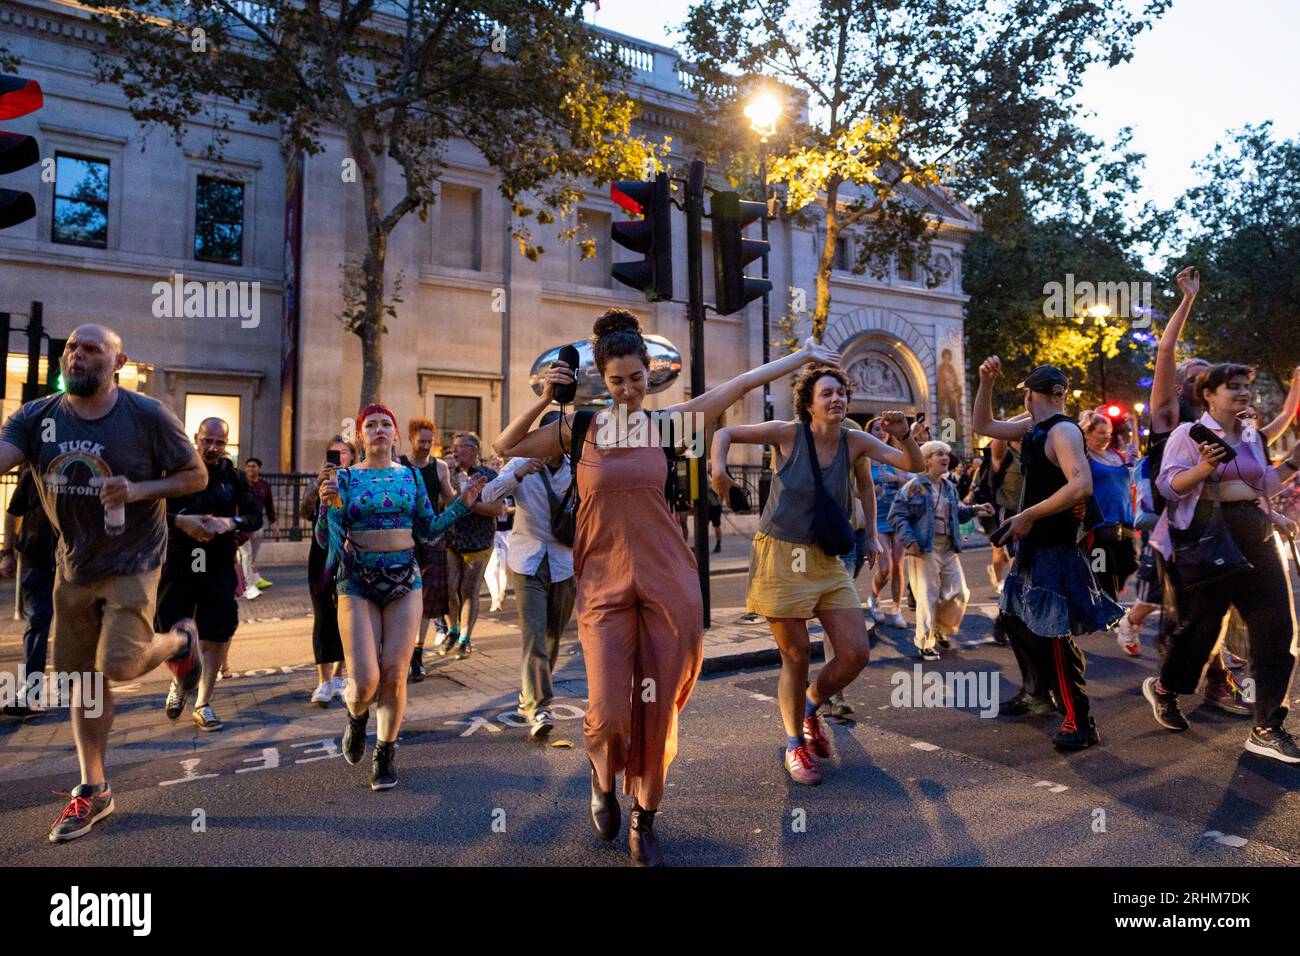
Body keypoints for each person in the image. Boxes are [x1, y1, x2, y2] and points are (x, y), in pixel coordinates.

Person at [494, 310, 837, 865]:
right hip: (603, 582)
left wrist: (801, 358)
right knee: (606, 708)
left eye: (635, 378)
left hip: (666, 578)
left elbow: (738, 384)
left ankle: (644, 816)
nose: (627, 390)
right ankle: (602, 775)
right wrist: (545, 396)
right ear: (601, 381)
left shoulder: (666, 425)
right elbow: (505, 443)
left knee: (660, 703)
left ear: (648, 376)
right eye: (616, 380)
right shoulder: (575, 427)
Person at [0, 324, 207, 842]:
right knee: (82, 683)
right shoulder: (37, 416)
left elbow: (194, 476)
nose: (77, 354)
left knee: (116, 663)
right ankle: (94, 790)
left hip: (134, 559)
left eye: (91, 349)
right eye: (72, 347)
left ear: (118, 361)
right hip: (73, 565)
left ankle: (182, 640)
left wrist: (138, 489)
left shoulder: (146, 415)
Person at [713, 364, 923, 786]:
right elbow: (725, 433)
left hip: (827, 557)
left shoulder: (854, 440)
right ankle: (795, 744)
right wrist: (719, 470)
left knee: (855, 652)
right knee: (796, 656)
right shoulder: (787, 433)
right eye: (826, 393)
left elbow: (910, 464)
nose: (836, 399)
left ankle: (811, 707)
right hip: (780, 554)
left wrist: (904, 433)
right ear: (809, 403)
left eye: (841, 392)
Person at [316, 404, 484, 789]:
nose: (379, 430)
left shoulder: (410, 476)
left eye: (385, 424)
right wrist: (325, 507)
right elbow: (326, 541)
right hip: (356, 584)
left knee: (395, 674)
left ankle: (385, 751)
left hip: (405, 582)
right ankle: (357, 717)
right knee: (364, 682)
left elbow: (428, 530)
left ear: (394, 435)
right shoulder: (343, 479)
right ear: (360, 436)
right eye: (370, 425)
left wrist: (463, 504)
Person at [1143, 363, 1300, 763]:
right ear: (1208, 394)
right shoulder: (1187, 433)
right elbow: (1167, 486)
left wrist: (1291, 472)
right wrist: (1203, 468)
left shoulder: (1249, 431)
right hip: (1208, 534)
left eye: (1246, 386)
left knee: (1278, 629)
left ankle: (1267, 726)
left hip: (1255, 532)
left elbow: (1258, 484)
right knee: (1203, 629)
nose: (1243, 393)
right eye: (1234, 387)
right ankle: (1165, 688)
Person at [973, 359, 1123, 750]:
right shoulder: (1033, 427)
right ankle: (1037, 693)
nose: (1029, 397)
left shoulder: (1063, 431)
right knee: (1016, 619)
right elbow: (983, 427)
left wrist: (1027, 515)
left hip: (1055, 546)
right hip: (1035, 544)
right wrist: (986, 382)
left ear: (1055, 395)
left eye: (1034, 391)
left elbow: (1081, 486)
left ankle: (1079, 720)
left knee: (1054, 634)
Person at [156, 418, 262, 731]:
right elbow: (153, 513)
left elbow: (254, 516)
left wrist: (231, 522)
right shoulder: (176, 472)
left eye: (219, 442)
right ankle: (180, 680)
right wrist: (182, 522)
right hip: (179, 560)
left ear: (227, 443)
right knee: (170, 628)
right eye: (207, 441)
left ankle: (203, 702)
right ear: (196, 439)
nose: (213, 448)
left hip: (217, 562)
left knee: (217, 632)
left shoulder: (235, 477)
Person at [479, 410, 577, 740]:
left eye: (561, 435)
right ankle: (539, 707)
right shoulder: (522, 462)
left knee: (552, 634)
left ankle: (528, 692)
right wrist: (518, 473)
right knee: (534, 633)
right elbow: (488, 496)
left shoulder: (577, 469)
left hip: (564, 561)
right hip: (527, 561)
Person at [889, 440, 993, 661]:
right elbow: (897, 514)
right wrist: (909, 541)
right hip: (924, 549)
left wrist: (977, 510)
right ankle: (925, 643)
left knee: (960, 593)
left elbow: (957, 513)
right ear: (927, 460)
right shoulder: (914, 485)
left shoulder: (948, 486)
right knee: (927, 598)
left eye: (946, 454)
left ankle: (940, 627)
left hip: (948, 548)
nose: (946, 458)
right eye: (939, 454)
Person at [398, 417, 456, 681]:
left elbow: (450, 500)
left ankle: (417, 654)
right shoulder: (399, 466)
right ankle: (399, 652)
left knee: (425, 600)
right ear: (411, 440)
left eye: (429, 442)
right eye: (421, 442)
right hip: (401, 540)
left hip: (432, 539)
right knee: (400, 598)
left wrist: (468, 497)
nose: (425, 447)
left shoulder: (440, 467)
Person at [442, 432, 504, 660]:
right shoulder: (449, 474)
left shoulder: (488, 476)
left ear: (474, 450)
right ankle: (453, 629)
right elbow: (444, 503)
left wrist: (469, 505)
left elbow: (498, 509)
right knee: (450, 587)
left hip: (478, 541)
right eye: (453, 446)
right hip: (453, 539)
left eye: (459, 447)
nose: (454, 450)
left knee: (469, 590)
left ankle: (465, 639)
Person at [302, 436, 354, 706]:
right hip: (322, 555)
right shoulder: (320, 481)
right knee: (323, 614)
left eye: (345, 452)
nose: (340, 457)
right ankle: (323, 680)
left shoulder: (357, 481)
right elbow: (302, 512)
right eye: (335, 453)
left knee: (347, 614)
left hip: (349, 554)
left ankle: (339, 674)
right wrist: (316, 485)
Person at [0, 467, 56, 718]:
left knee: (79, 626)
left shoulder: (81, 467)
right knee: (37, 621)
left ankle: (86, 686)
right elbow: (12, 513)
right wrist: (7, 552)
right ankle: (30, 693)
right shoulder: (32, 473)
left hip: (75, 562)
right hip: (37, 558)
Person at [1080, 411, 1138, 604]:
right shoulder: (1084, 457)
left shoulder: (1116, 455)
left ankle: (1106, 601)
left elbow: (1131, 470)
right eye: (1102, 432)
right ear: (1088, 434)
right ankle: (1107, 608)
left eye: (1109, 432)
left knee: (1129, 564)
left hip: (1125, 521)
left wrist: (1135, 426)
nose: (1107, 436)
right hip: (1098, 525)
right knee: (1101, 569)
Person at [866, 416, 906, 627]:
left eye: (883, 429)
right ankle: (874, 597)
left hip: (898, 517)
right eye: (875, 429)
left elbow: (911, 480)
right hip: (877, 519)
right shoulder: (863, 458)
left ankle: (897, 609)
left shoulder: (894, 455)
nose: (881, 433)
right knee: (885, 569)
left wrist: (896, 480)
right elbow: (855, 490)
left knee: (899, 566)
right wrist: (874, 490)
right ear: (869, 432)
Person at [238, 456, 276, 597]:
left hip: (258, 526)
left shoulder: (264, 485)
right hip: (243, 525)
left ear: (259, 469)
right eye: (248, 466)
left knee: (251, 557)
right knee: (246, 555)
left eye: (253, 466)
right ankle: (249, 586)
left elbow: (269, 504)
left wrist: (273, 521)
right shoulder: (241, 483)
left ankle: (252, 579)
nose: (250, 469)